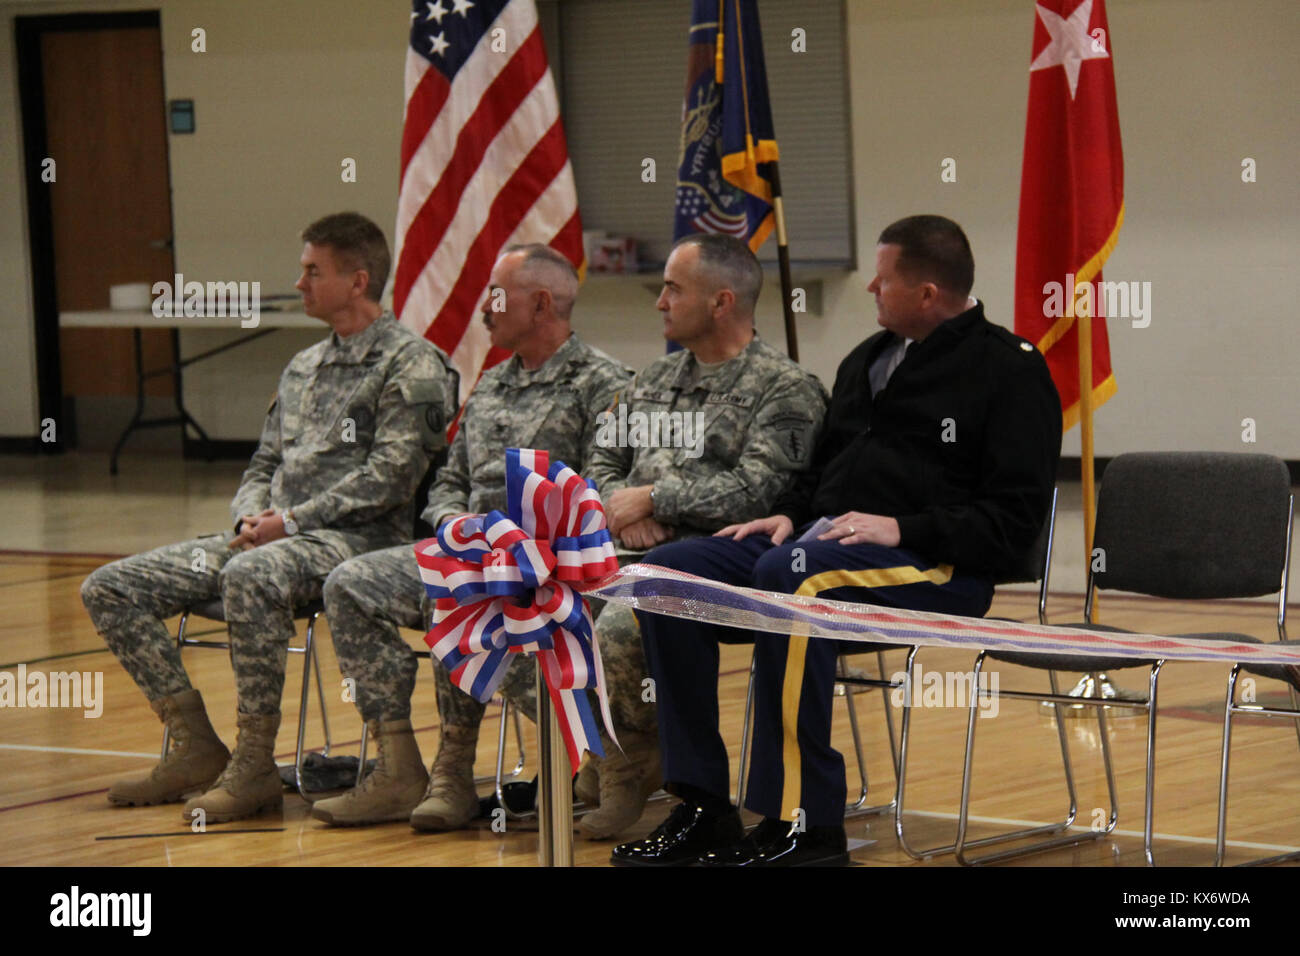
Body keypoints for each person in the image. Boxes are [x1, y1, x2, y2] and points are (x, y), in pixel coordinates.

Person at [612, 215, 1062, 866]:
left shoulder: (1008, 370)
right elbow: (825, 473)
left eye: (882, 281)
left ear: (928, 293)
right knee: (670, 574)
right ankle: (705, 806)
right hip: (821, 547)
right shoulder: (868, 360)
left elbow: (1014, 519)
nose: (871, 290)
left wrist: (903, 528)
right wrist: (789, 515)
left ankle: (804, 821)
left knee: (793, 578)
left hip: (938, 568)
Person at [80, 212, 458, 824]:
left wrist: (290, 521)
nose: (300, 282)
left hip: (354, 542)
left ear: (358, 280)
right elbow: (263, 460)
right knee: (111, 586)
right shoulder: (303, 365)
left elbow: (390, 478)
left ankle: (255, 764)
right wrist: (249, 518)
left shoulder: (410, 364)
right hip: (268, 539)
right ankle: (196, 744)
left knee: (251, 576)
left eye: (314, 271)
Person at [312, 244, 636, 831]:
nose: (484, 308)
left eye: (496, 295)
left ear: (541, 303)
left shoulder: (603, 383)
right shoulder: (490, 383)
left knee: (465, 587)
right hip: (473, 552)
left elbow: (597, 495)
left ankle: (594, 759)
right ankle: (402, 767)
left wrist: (509, 546)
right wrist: (452, 524)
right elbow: (449, 481)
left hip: (548, 566)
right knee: (351, 583)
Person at [584, 232, 829, 838]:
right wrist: (625, 508)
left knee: (621, 617)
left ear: (722, 302)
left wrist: (658, 499)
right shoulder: (652, 379)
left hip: (722, 564)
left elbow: (761, 491)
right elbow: (602, 459)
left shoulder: (785, 387)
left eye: (673, 288)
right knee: (525, 601)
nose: (659, 302)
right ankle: (599, 750)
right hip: (629, 546)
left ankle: (638, 768)